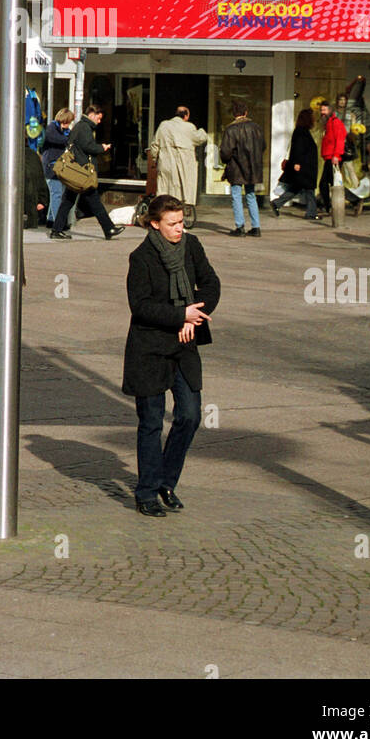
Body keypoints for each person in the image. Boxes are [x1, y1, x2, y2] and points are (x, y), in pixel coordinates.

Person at [123, 195, 221, 517]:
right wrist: (180, 315)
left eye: (182, 222)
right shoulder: (141, 258)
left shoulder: (191, 246)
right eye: (173, 224)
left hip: (185, 342)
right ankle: (147, 493)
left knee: (190, 415)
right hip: (150, 348)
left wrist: (194, 314)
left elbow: (210, 283)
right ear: (155, 224)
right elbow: (141, 306)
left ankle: (167, 481)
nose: (180, 229)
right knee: (151, 421)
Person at [49, 105, 125, 242]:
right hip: (81, 173)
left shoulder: (81, 126)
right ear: (92, 114)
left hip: (77, 172)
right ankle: (109, 228)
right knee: (94, 201)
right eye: (99, 118)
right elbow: (87, 147)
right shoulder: (84, 127)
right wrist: (102, 147)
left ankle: (57, 229)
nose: (99, 121)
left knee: (67, 201)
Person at [219, 99, 264, 237]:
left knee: (236, 196)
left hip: (236, 167)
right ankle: (256, 227)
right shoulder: (256, 127)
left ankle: (240, 227)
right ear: (246, 112)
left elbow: (226, 152)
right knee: (251, 195)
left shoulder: (231, 129)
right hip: (252, 167)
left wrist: (226, 162)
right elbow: (263, 146)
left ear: (234, 113)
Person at [149, 106, 208, 206]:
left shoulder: (163, 125)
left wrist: (155, 159)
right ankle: (179, 210)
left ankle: (163, 210)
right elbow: (199, 138)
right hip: (184, 164)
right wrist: (203, 131)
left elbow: (155, 145)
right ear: (185, 116)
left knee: (165, 188)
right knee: (182, 189)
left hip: (165, 163)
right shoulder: (189, 127)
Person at [270, 108, 318, 219]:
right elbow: (298, 148)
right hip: (304, 166)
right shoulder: (301, 132)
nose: (314, 119)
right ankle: (311, 213)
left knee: (297, 187)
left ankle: (277, 203)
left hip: (304, 166)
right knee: (309, 189)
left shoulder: (302, 131)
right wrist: (296, 163)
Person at [42, 108, 74, 230]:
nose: (67, 125)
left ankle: (50, 220)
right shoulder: (51, 128)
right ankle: (58, 222)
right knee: (57, 195)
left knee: (55, 194)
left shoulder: (65, 131)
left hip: (58, 166)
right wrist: (69, 140)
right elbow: (55, 139)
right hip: (51, 166)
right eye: (66, 122)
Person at [317, 99, 347, 216]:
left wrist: (336, 155)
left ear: (330, 110)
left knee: (325, 183)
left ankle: (328, 207)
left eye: (324, 110)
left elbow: (340, 140)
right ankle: (353, 200)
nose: (322, 112)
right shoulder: (328, 123)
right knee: (333, 182)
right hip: (329, 157)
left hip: (333, 158)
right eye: (321, 110)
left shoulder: (335, 123)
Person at [24, 136, 49, 230]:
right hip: (35, 190)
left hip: (28, 188)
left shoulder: (16, 155)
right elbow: (40, 177)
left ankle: (31, 220)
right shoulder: (33, 154)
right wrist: (42, 199)